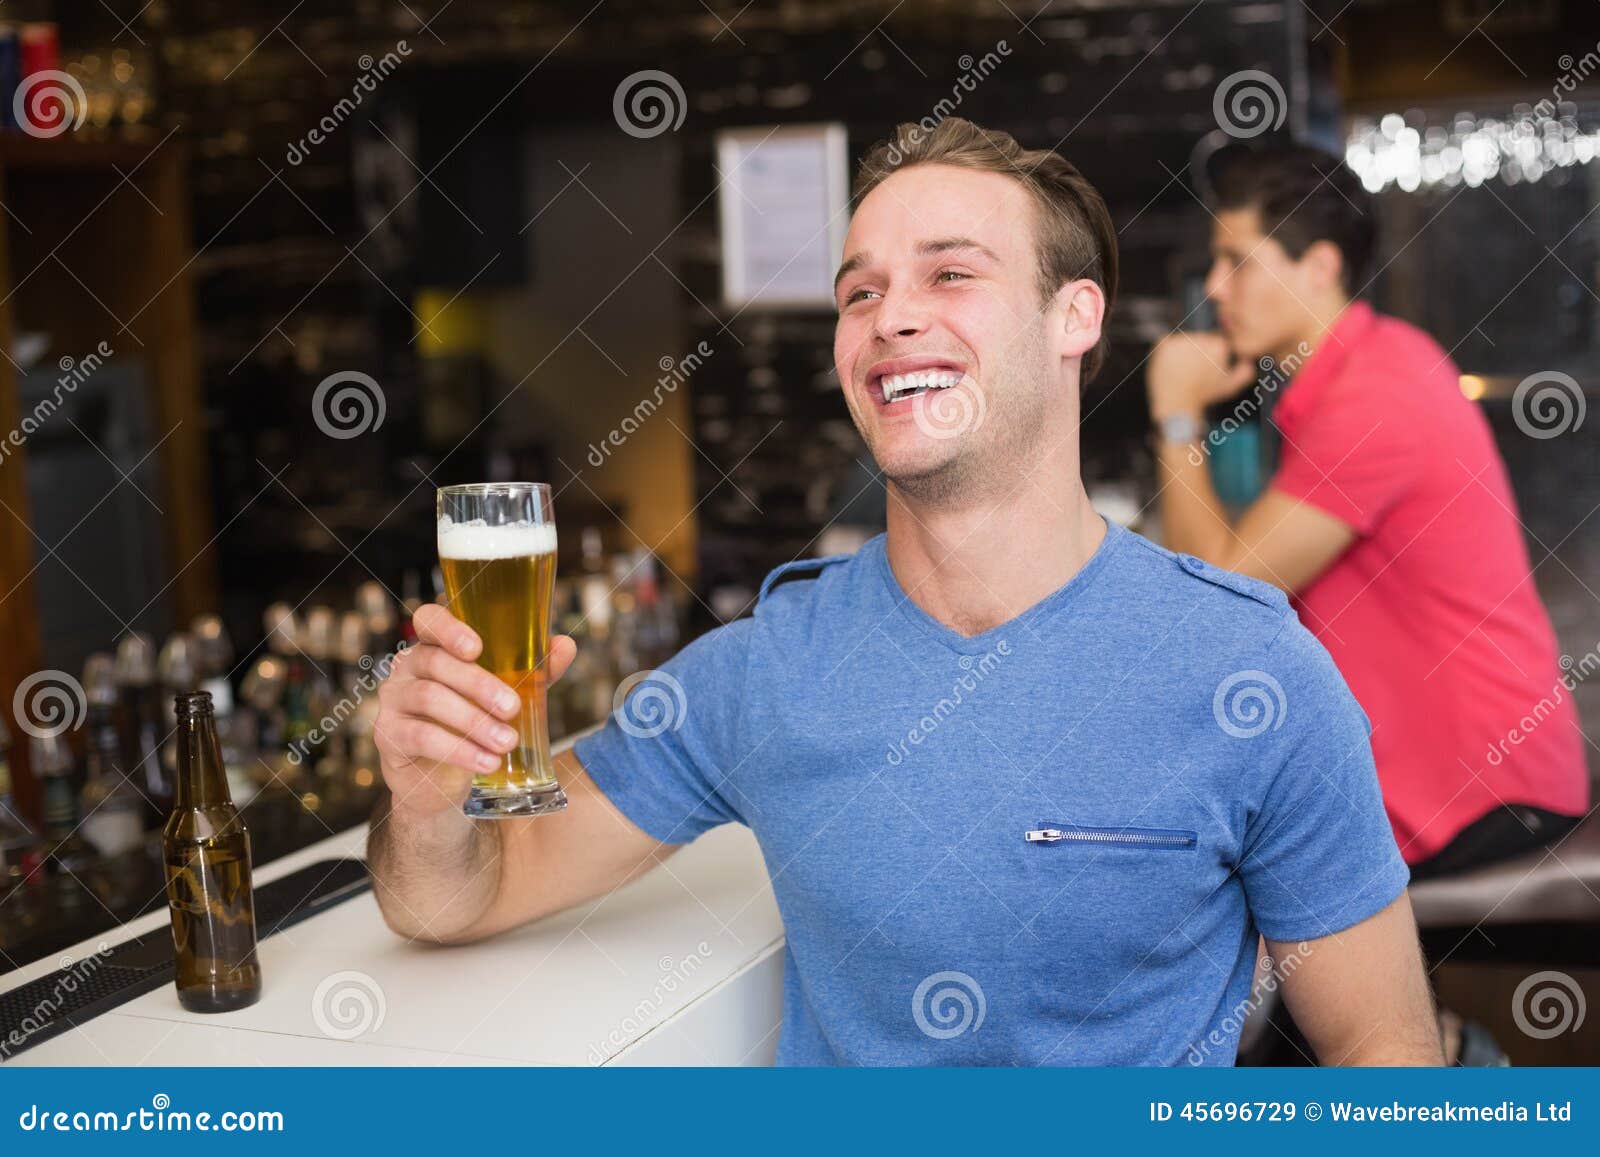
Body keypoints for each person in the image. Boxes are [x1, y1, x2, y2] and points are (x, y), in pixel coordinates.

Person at [369, 118, 1443, 1066]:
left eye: (950, 274)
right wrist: (423, 807)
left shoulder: (1253, 674)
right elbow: (466, 893)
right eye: (859, 291)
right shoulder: (763, 666)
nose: (888, 319)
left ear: (1074, 317)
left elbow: (1383, 1048)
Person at [1144, 144, 1590, 885]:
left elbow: (1220, 601)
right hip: (1440, 786)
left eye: (1238, 261)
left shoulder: (1376, 393)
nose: (1216, 288)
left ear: (1319, 266)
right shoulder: (1351, 376)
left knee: (1201, 875)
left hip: (1484, 796)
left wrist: (1177, 413)